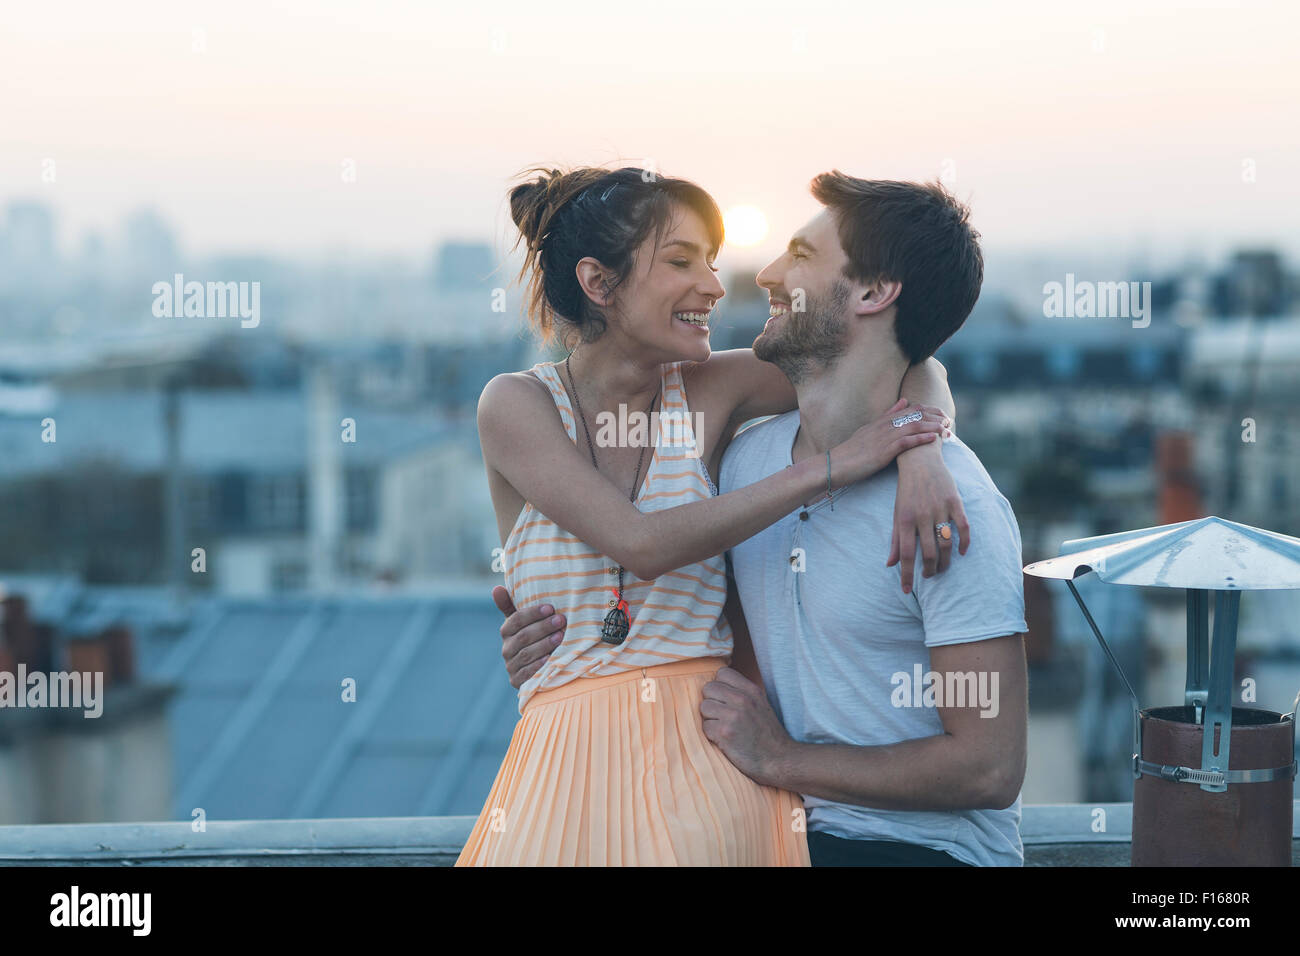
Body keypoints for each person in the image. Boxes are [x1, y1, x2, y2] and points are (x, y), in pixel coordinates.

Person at [498, 172, 1029, 867]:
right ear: (599, 283)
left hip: (878, 836)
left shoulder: (950, 508)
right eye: (683, 261)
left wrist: (924, 446)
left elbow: (899, 353)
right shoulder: (743, 460)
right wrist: (558, 639)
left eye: (799, 258)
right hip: (728, 804)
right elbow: (642, 548)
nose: (745, 280)